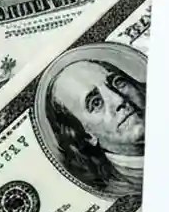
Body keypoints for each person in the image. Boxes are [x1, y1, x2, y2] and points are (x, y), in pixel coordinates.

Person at [46, 58, 146, 196]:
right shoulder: (118, 193)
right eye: (96, 103)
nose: (118, 99)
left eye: (118, 82)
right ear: (86, 135)